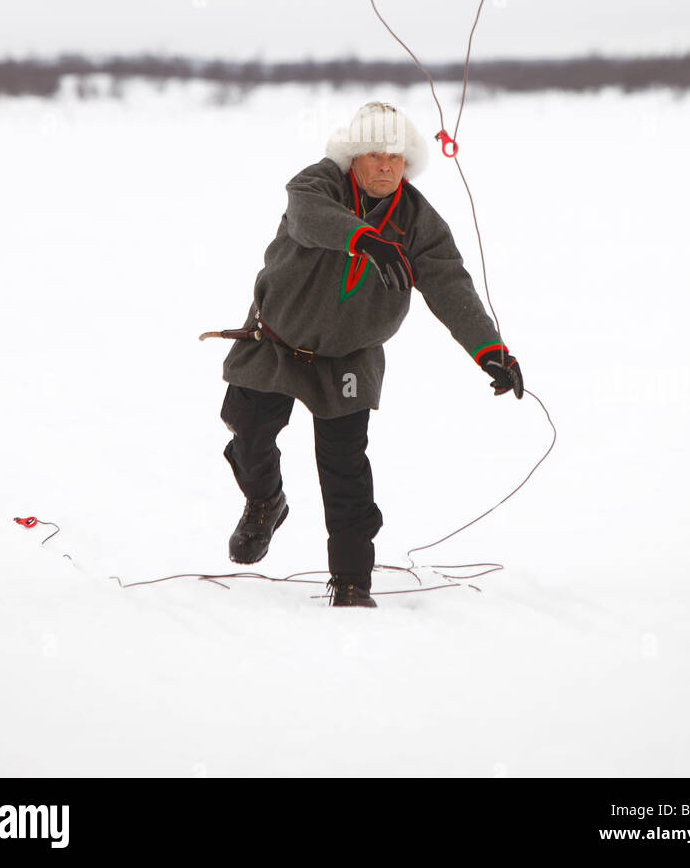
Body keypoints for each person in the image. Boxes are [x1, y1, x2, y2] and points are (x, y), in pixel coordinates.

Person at [217, 100, 523, 608]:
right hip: (274, 341)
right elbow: (308, 216)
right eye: (374, 154)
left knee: (344, 466)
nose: (385, 165)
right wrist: (365, 240)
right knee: (249, 432)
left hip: (349, 357)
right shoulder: (318, 184)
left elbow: (450, 285)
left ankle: (353, 582)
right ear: (353, 157)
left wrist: (490, 351)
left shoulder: (419, 221)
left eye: (396, 157)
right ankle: (265, 501)